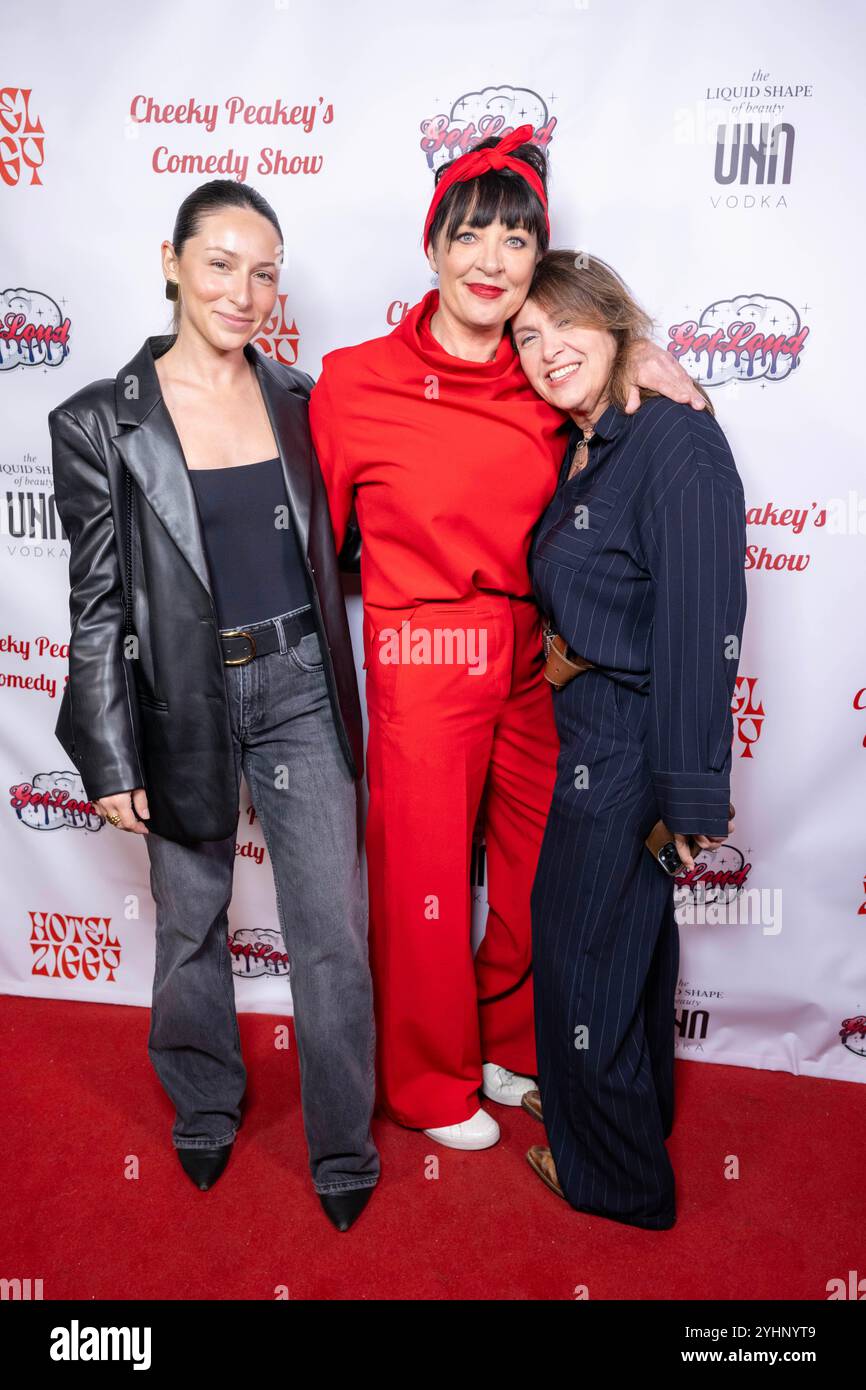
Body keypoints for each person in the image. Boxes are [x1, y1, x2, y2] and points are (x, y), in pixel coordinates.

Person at [308, 126, 707, 1151]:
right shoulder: (353, 383)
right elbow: (311, 539)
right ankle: (427, 1080)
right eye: (471, 234)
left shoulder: (544, 375)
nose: (491, 259)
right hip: (421, 649)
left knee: (543, 869)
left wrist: (646, 356)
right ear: (431, 246)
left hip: (534, 656)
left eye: (516, 240)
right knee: (428, 882)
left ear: (537, 259)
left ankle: (510, 1041)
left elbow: (606, 404)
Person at [49, 179, 378, 1231]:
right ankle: (202, 1103)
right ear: (174, 262)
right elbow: (97, 601)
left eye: (266, 269)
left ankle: (341, 1137)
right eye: (224, 262)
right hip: (181, 693)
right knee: (190, 920)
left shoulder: (299, 397)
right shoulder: (101, 421)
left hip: (299, 688)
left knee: (329, 926)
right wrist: (107, 752)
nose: (247, 289)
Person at [511, 250, 747, 1228]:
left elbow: (700, 624)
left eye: (564, 324)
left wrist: (690, 795)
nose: (543, 348)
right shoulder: (598, 434)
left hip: (629, 740)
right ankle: (608, 1105)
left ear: (613, 322)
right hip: (593, 731)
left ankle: (611, 1175)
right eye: (525, 337)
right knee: (626, 945)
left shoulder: (672, 446)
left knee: (579, 946)